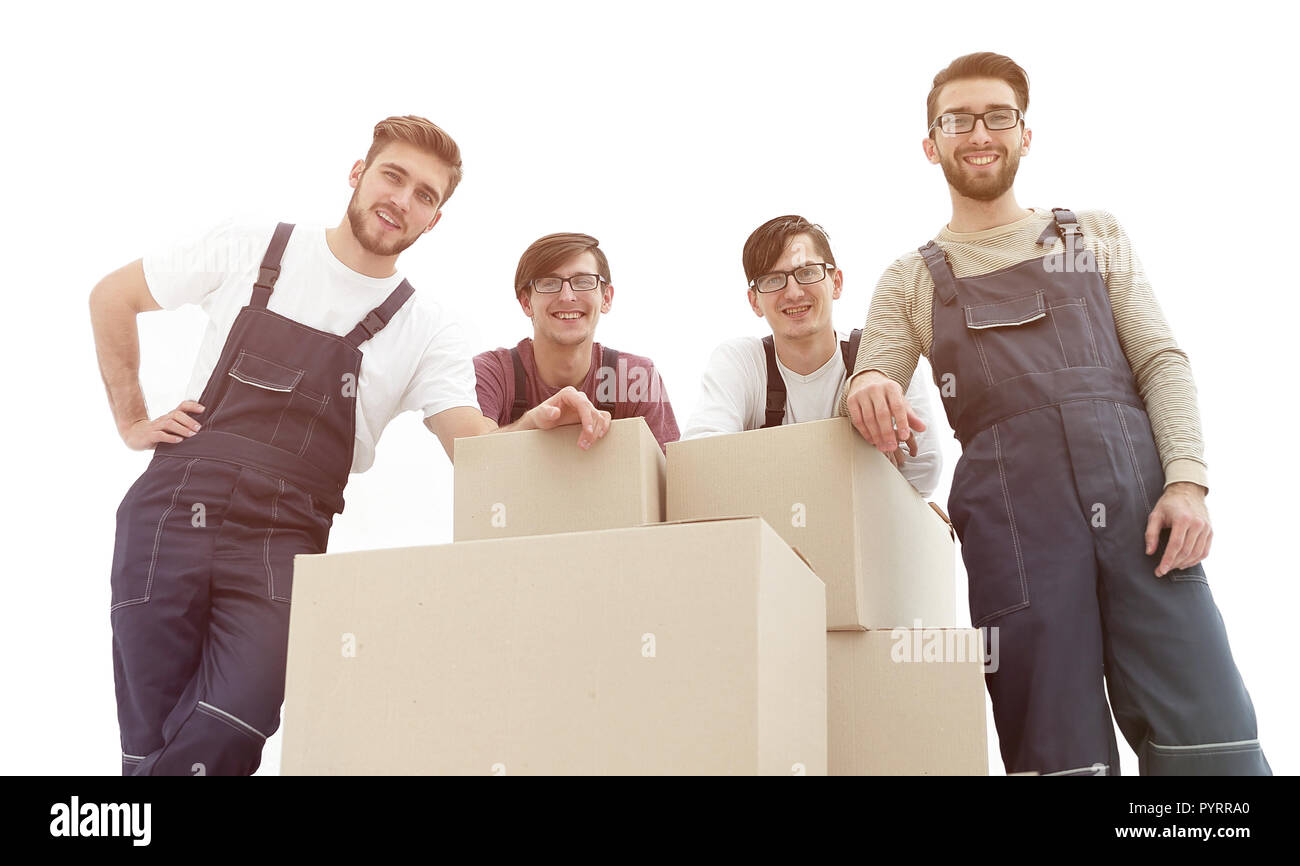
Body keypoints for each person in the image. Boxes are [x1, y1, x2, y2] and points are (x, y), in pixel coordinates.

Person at [89, 115, 610, 776]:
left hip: (280, 540)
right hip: (169, 513)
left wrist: (533, 424)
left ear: (434, 221)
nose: (403, 199)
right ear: (359, 174)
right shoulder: (255, 246)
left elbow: (473, 449)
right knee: (149, 740)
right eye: (393, 175)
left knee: (235, 719)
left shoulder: (425, 329)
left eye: (426, 194)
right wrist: (131, 419)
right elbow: (113, 296)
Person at [840, 53, 1268, 775]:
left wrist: (1188, 481)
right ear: (931, 143)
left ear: (1025, 134)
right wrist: (867, 385)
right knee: (1055, 753)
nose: (980, 133)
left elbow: (1161, 359)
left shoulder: (1092, 235)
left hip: (1145, 520)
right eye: (958, 120)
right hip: (1015, 534)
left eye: (998, 115)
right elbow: (875, 374)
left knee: (1211, 743)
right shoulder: (911, 279)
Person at [683, 215, 941, 498]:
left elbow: (924, 471)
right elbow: (698, 459)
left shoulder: (880, 355)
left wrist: (754, 460)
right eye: (773, 279)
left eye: (807, 272)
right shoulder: (742, 361)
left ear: (837, 282)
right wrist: (863, 458)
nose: (793, 292)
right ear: (754, 301)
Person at [474, 232, 679, 451]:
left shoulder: (636, 377)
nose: (567, 296)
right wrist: (528, 423)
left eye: (583, 282)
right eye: (549, 283)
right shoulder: (494, 373)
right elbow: (474, 456)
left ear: (606, 299)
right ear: (526, 303)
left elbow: (669, 479)